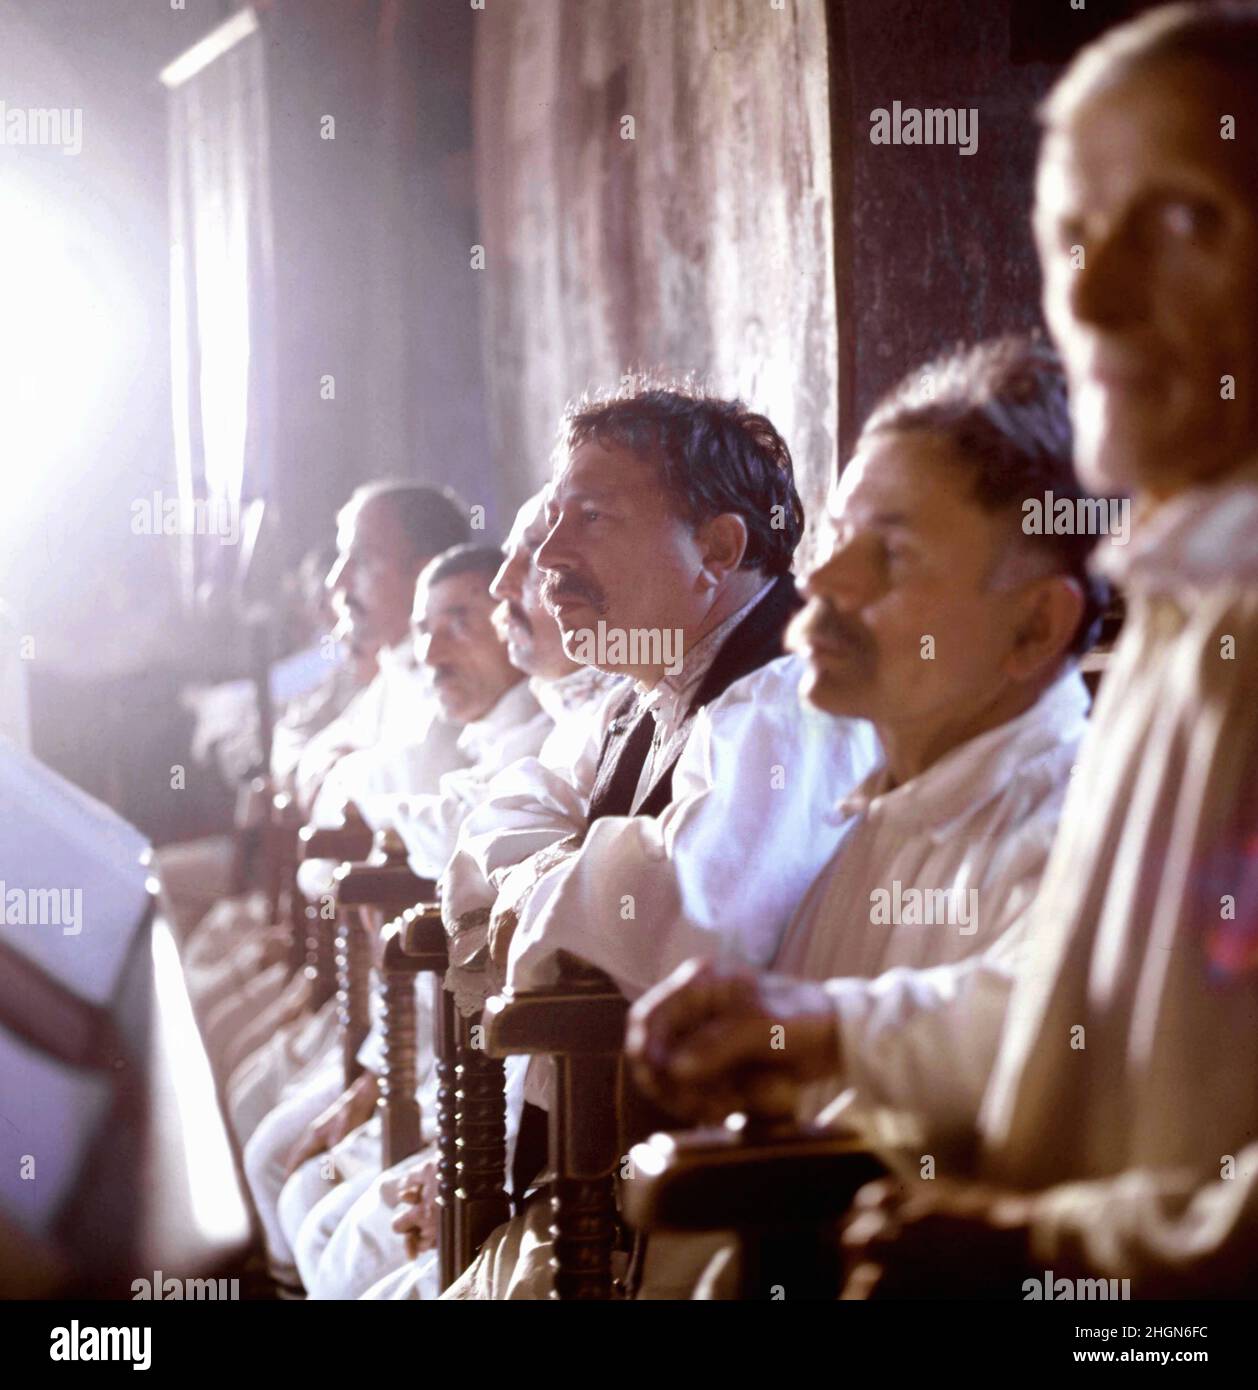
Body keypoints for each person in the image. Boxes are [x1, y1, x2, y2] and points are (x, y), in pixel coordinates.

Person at [640, 0, 1258, 1300]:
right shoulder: (1187, 606)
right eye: (1071, 239)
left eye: (1184, 222)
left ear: (1036, 623)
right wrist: (822, 1025)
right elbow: (1066, 1016)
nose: (1088, 293)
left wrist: (1046, 1258)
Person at [430, 383, 879, 1299]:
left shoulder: (792, 698)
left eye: (589, 517)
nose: (549, 556)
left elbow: (674, 924)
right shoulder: (640, 692)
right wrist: (569, 882)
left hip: (713, 1213)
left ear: (717, 548)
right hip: (592, 1185)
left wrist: (549, 889)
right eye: (552, 521)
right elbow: (490, 825)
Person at [291, 491, 623, 1299]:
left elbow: (550, 950)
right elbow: (481, 847)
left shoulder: (617, 713)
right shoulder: (572, 721)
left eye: (539, 556)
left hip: (589, 1159)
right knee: (313, 1205)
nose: (518, 583)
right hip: (494, 1100)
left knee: (337, 1241)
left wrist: (487, 1158)